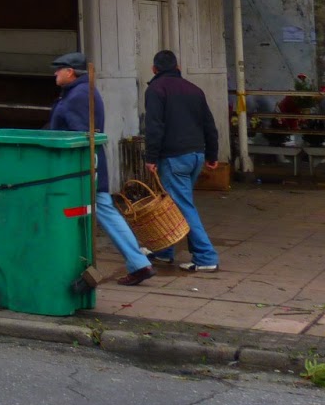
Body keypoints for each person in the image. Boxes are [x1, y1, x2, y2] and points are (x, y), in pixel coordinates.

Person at [45, 51, 153, 286]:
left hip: (82, 168)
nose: (55, 73)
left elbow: (82, 136)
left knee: (101, 209)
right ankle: (138, 263)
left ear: (70, 72)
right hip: (85, 167)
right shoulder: (77, 92)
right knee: (102, 210)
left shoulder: (78, 96)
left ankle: (138, 263)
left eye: (58, 69)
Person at [143, 49, 221, 273]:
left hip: (173, 157)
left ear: (154, 69)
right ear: (177, 67)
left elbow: (154, 126)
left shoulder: (156, 90)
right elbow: (209, 125)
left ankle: (206, 256)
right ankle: (164, 251)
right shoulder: (194, 90)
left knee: (183, 207)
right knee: (175, 204)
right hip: (195, 155)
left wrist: (151, 157)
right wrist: (212, 155)